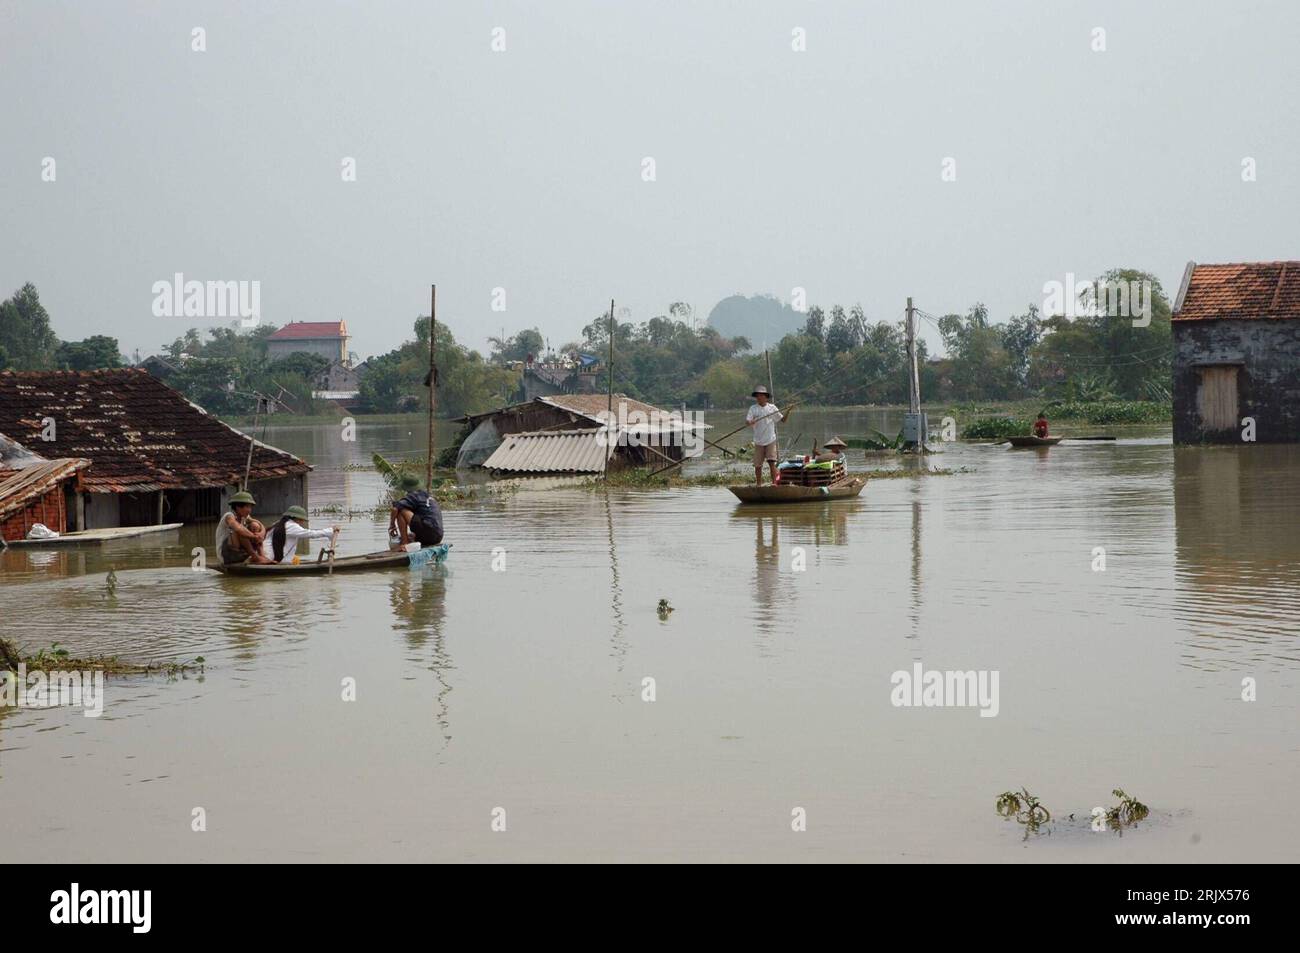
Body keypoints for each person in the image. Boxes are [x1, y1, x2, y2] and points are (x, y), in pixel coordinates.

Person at [263, 506, 339, 564]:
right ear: (296, 518)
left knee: (295, 559)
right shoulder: (291, 526)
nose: (302, 522)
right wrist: (330, 530)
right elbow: (311, 534)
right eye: (301, 520)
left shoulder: (279, 523)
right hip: (270, 558)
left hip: (266, 555)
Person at [746, 386, 789, 486]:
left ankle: (774, 483)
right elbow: (747, 421)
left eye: (761, 395)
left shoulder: (772, 408)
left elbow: (783, 420)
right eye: (757, 396)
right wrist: (750, 422)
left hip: (770, 440)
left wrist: (788, 411)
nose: (759, 397)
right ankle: (759, 484)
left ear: (766, 397)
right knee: (757, 465)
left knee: (771, 462)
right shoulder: (753, 408)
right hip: (758, 441)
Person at [215, 490, 271, 565]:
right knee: (240, 529)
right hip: (227, 556)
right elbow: (238, 528)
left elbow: (260, 524)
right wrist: (254, 536)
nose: (249, 510)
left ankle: (261, 556)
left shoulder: (245, 517)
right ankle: (255, 557)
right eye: (247, 507)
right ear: (238, 507)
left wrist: (260, 534)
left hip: (241, 554)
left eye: (250, 507)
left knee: (254, 525)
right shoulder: (229, 516)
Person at [389, 474, 444, 548]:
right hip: (438, 537)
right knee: (411, 535)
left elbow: (395, 509)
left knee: (401, 510)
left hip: (428, 532)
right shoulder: (428, 496)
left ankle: (404, 543)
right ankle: (410, 539)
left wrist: (392, 525)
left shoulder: (413, 496)